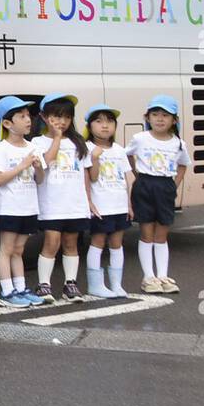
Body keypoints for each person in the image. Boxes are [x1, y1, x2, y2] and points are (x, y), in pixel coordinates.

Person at [128, 95, 191, 294]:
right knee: (146, 233)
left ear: (174, 120)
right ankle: (148, 277)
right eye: (155, 114)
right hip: (145, 184)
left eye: (165, 115)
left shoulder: (178, 144)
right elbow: (128, 154)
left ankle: (163, 276)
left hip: (165, 186)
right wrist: (137, 174)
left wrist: (174, 185)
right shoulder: (140, 138)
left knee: (162, 234)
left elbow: (183, 165)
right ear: (147, 117)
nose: (160, 119)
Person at [34, 93, 89, 303]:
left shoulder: (77, 143)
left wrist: (87, 202)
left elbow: (84, 174)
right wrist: (56, 138)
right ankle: (44, 284)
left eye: (66, 117)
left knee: (71, 243)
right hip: (52, 203)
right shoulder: (38, 142)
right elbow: (45, 163)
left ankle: (70, 284)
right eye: (56, 117)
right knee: (51, 242)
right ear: (44, 117)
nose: (61, 122)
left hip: (74, 203)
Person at [0, 97, 45, 308]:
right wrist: (22, 165)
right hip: (10, 208)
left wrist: (38, 168)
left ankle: (21, 288)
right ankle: (6, 291)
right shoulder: (1, 149)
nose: (27, 120)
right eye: (21, 116)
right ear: (7, 123)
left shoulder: (32, 147)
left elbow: (39, 180)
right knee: (6, 248)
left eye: (28, 115)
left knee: (19, 249)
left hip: (29, 207)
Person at [83, 104, 134, 299]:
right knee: (98, 241)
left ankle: (116, 284)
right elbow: (93, 177)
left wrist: (129, 204)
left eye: (109, 121)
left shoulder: (119, 150)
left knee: (117, 243)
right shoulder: (88, 148)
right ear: (89, 126)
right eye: (99, 121)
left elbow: (127, 179)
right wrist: (95, 159)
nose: (105, 125)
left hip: (119, 204)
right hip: (101, 205)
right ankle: (95, 284)